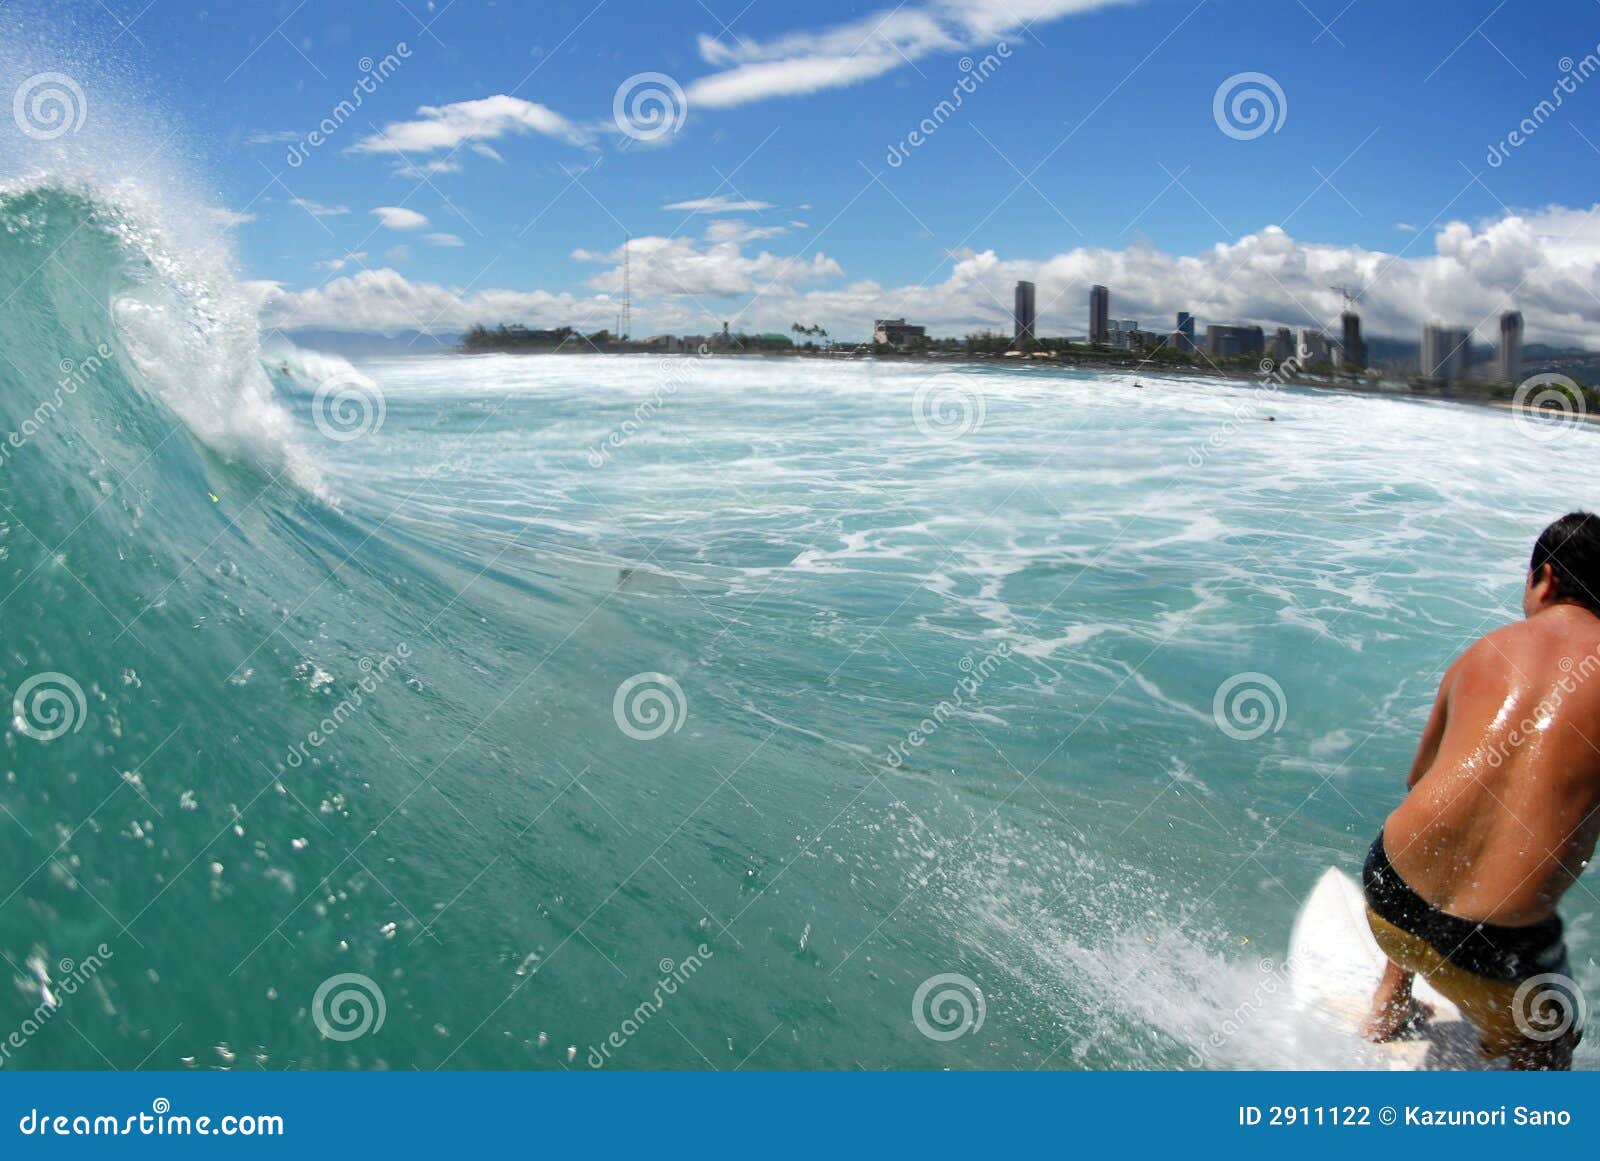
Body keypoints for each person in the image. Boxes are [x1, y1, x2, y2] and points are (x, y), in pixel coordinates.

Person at [1362, 512, 1600, 1069]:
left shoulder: (1484, 649)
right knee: (1553, 1039)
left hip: (1387, 896)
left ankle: (1390, 1001)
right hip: (1495, 958)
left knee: (1446, 830)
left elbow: (1418, 778)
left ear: (1543, 578)